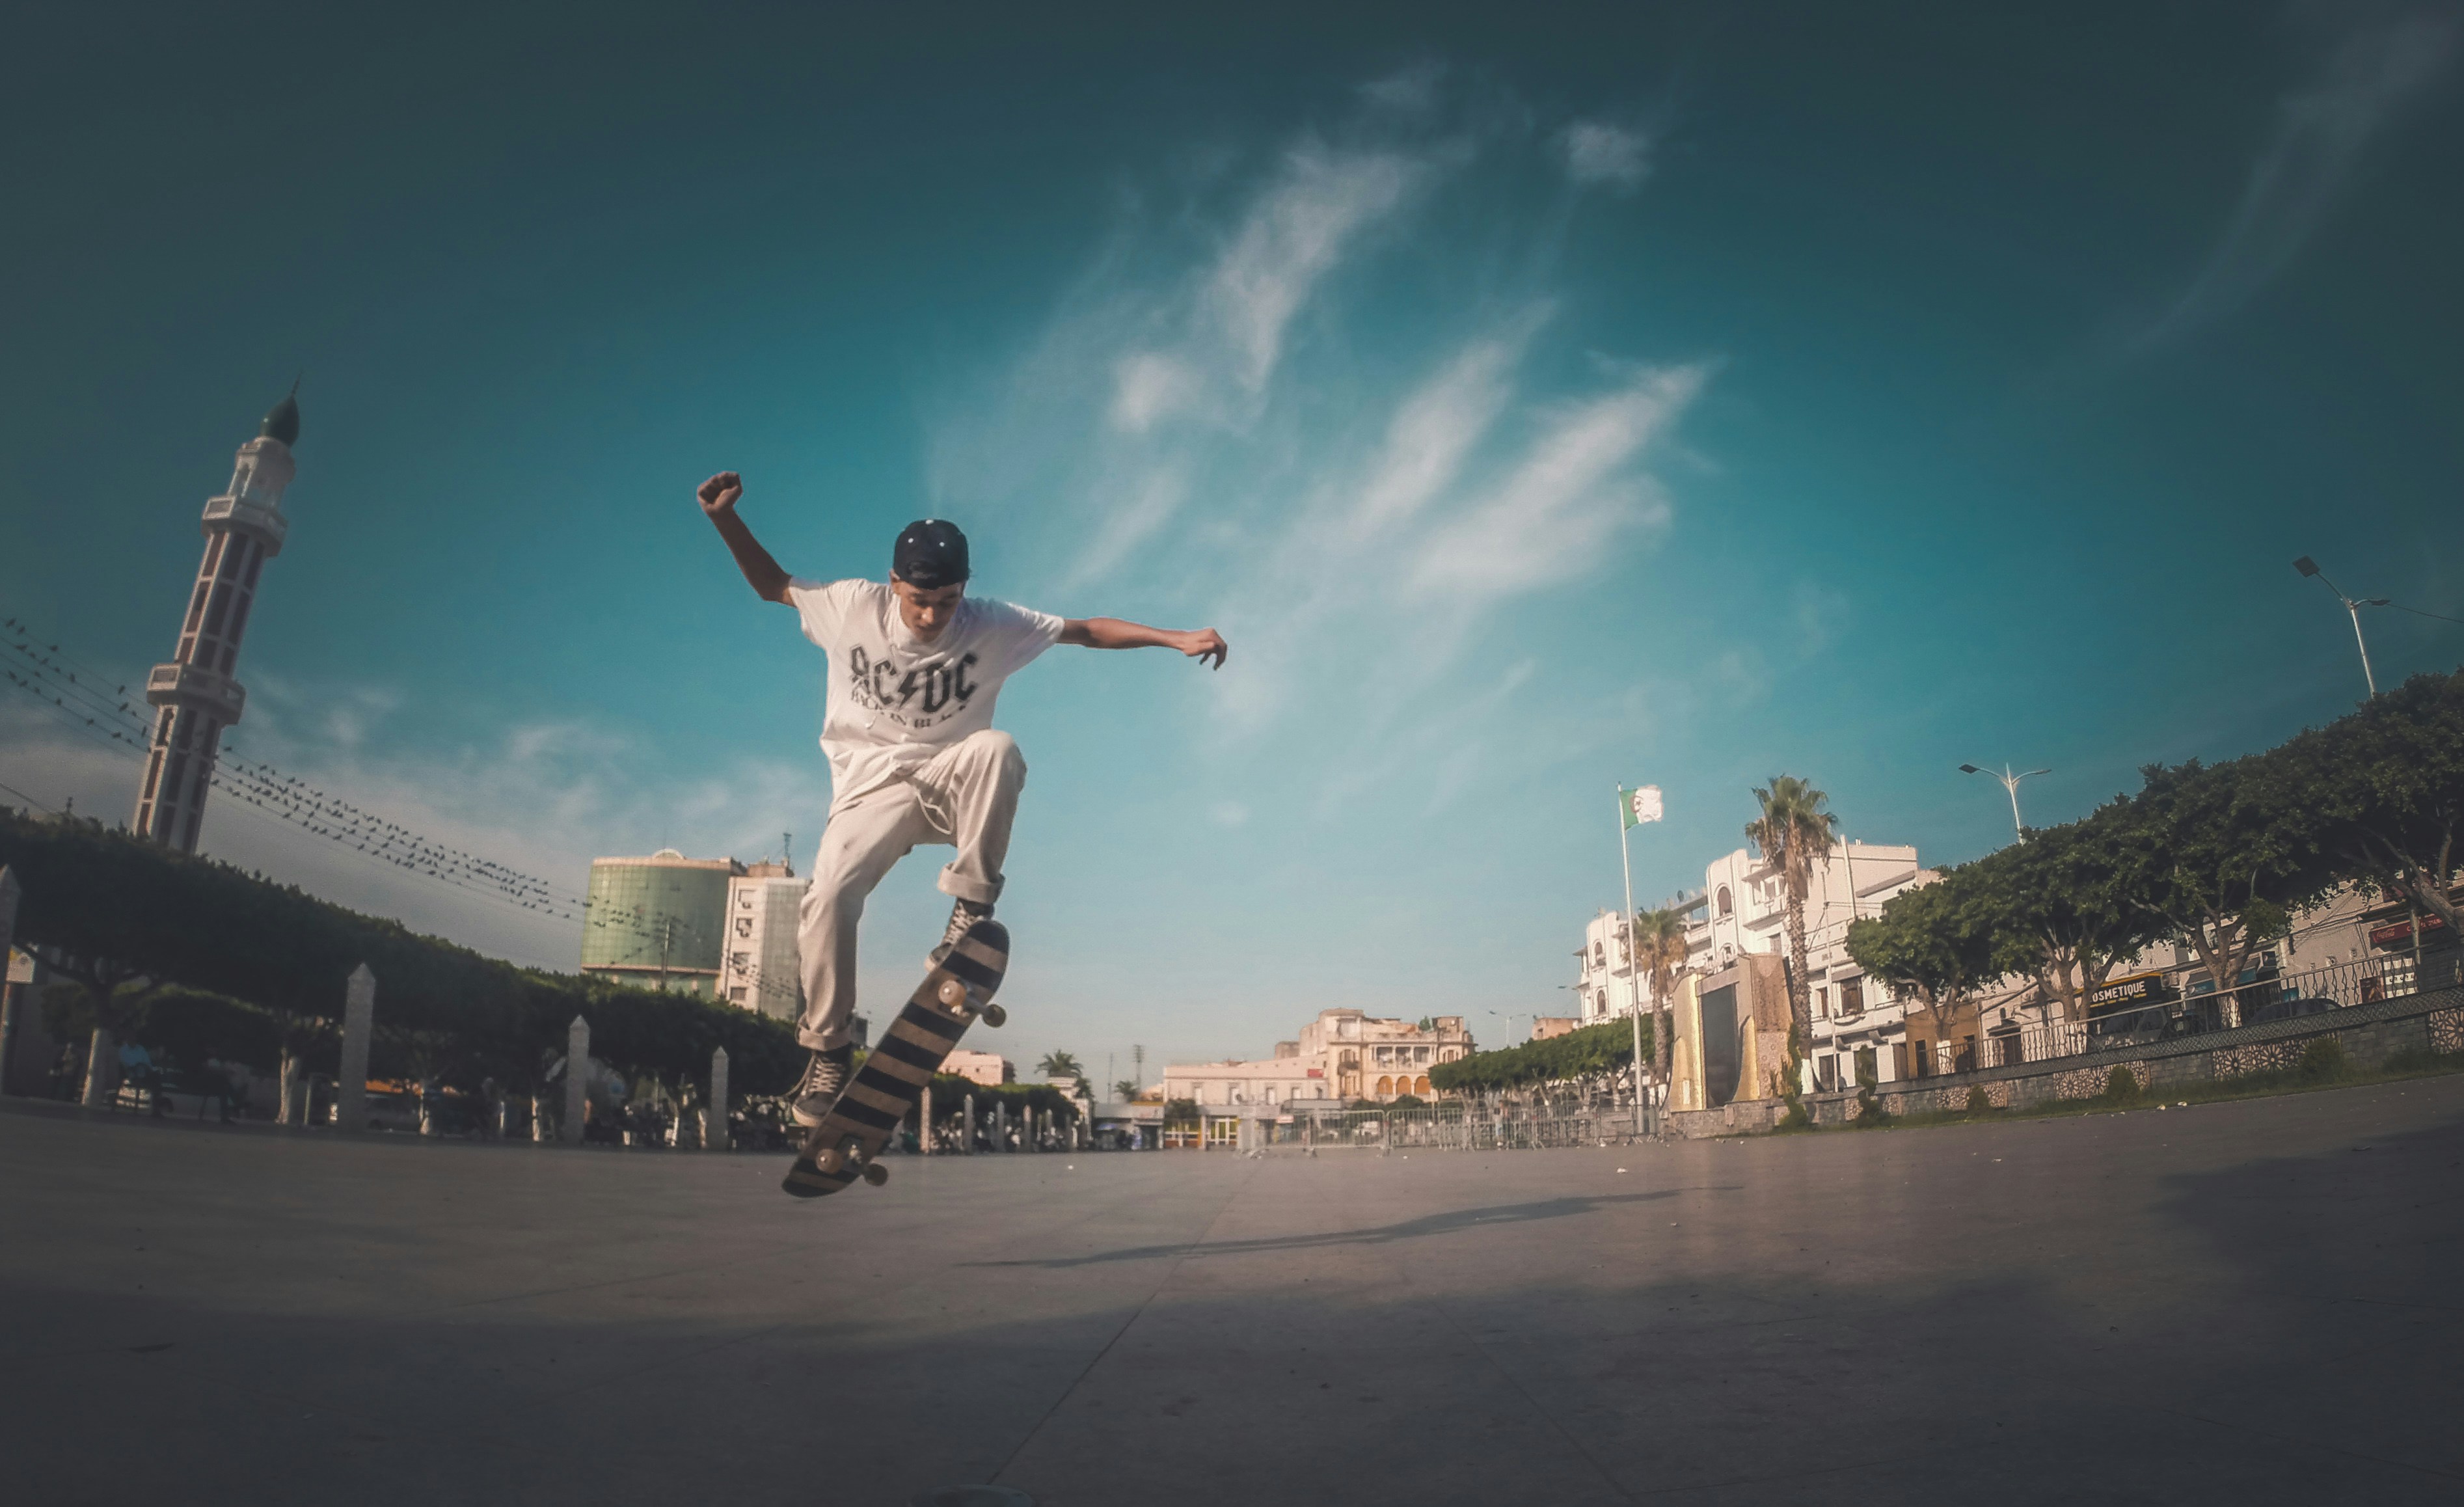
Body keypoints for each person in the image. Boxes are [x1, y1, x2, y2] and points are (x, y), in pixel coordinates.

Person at [697, 470, 1227, 1127]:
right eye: (918, 601)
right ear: (893, 584)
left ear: (963, 592)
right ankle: (829, 1052)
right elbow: (774, 586)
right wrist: (725, 521)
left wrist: (1175, 637)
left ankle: (968, 915)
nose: (929, 616)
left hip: (951, 780)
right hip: (869, 792)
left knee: (998, 750)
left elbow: (1086, 630)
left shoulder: (993, 623)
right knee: (827, 900)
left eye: (945, 603)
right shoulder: (849, 606)